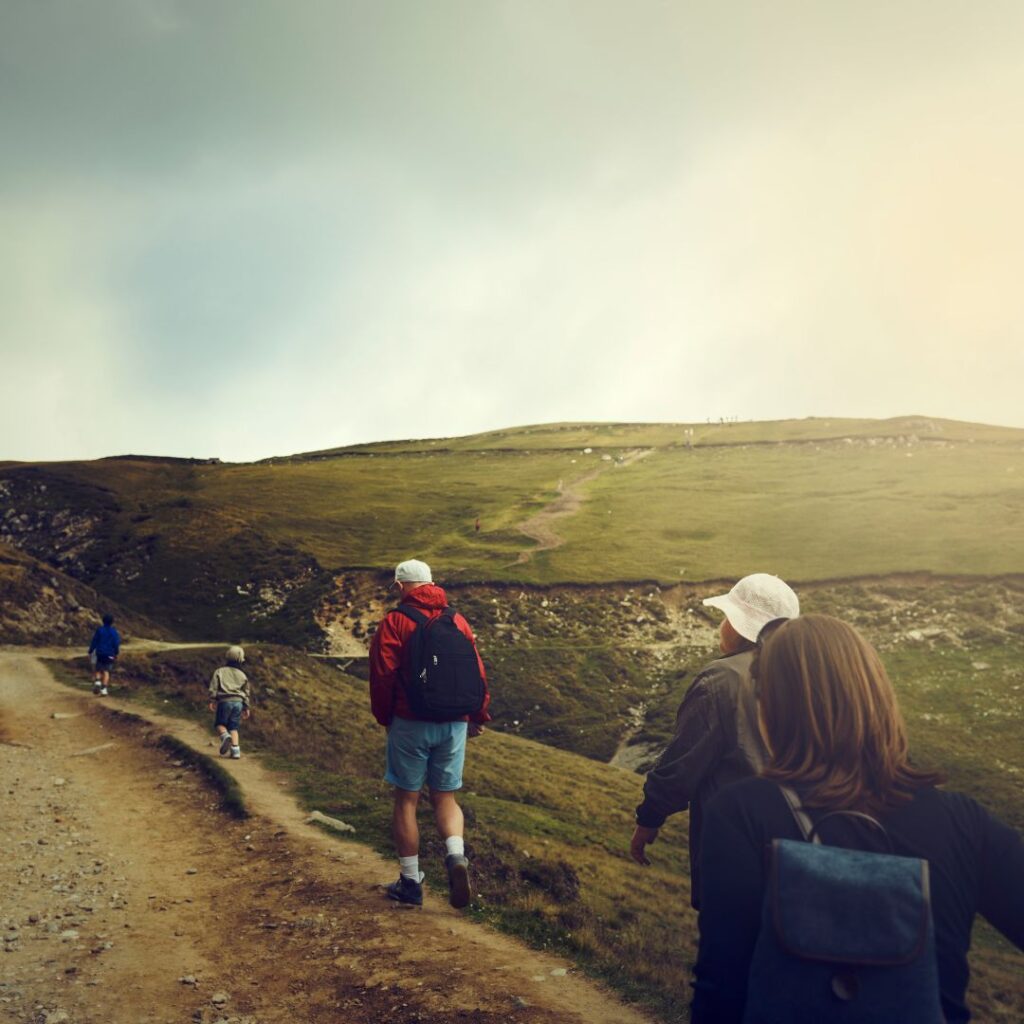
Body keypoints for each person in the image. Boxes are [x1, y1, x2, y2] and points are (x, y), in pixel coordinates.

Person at [692, 615, 1024, 1024]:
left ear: (772, 707)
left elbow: (720, 991)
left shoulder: (741, 812)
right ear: (877, 694)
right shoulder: (962, 821)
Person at [630, 573, 799, 906]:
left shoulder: (720, 679)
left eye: (727, 616)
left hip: (734, 846)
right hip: (797, 844)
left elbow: (682, 765)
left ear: (738, 625)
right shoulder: (803, 677)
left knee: (727, 945)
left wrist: (649, 818)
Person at [369, 558, 491, 909]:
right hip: (454, 723)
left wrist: (385, 717)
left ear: (399, 586)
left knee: (406, 800)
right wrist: (476, 715)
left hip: (411, 721)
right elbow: (477, 672)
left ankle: (410, 883)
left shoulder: (395, 621)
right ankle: (455, 856)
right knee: (445, 797)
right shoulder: (457, 619)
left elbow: (383, 675)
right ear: (432, 583)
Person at [207, 645, 251, 760]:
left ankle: (225, 736)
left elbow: (214, 687)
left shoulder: (219, 671)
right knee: (234, 727)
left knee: (220, 724)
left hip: (225, 701)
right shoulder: (243, 675)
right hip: (238, 703)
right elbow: (246, 692)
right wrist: (246, 707)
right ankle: (236, 751)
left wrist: (212, 700)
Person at [88, 613, 121, 696]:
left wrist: (91, 650)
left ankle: (98, 682)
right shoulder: (114, 632)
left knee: (98, 669)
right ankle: (104, 689)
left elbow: (94, 641)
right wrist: (116, 652)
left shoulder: (100, 630)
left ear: (103, 621)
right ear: (112, 622)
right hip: (110, 654)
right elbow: (116, 643)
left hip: (100, 653)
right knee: (106, 671)